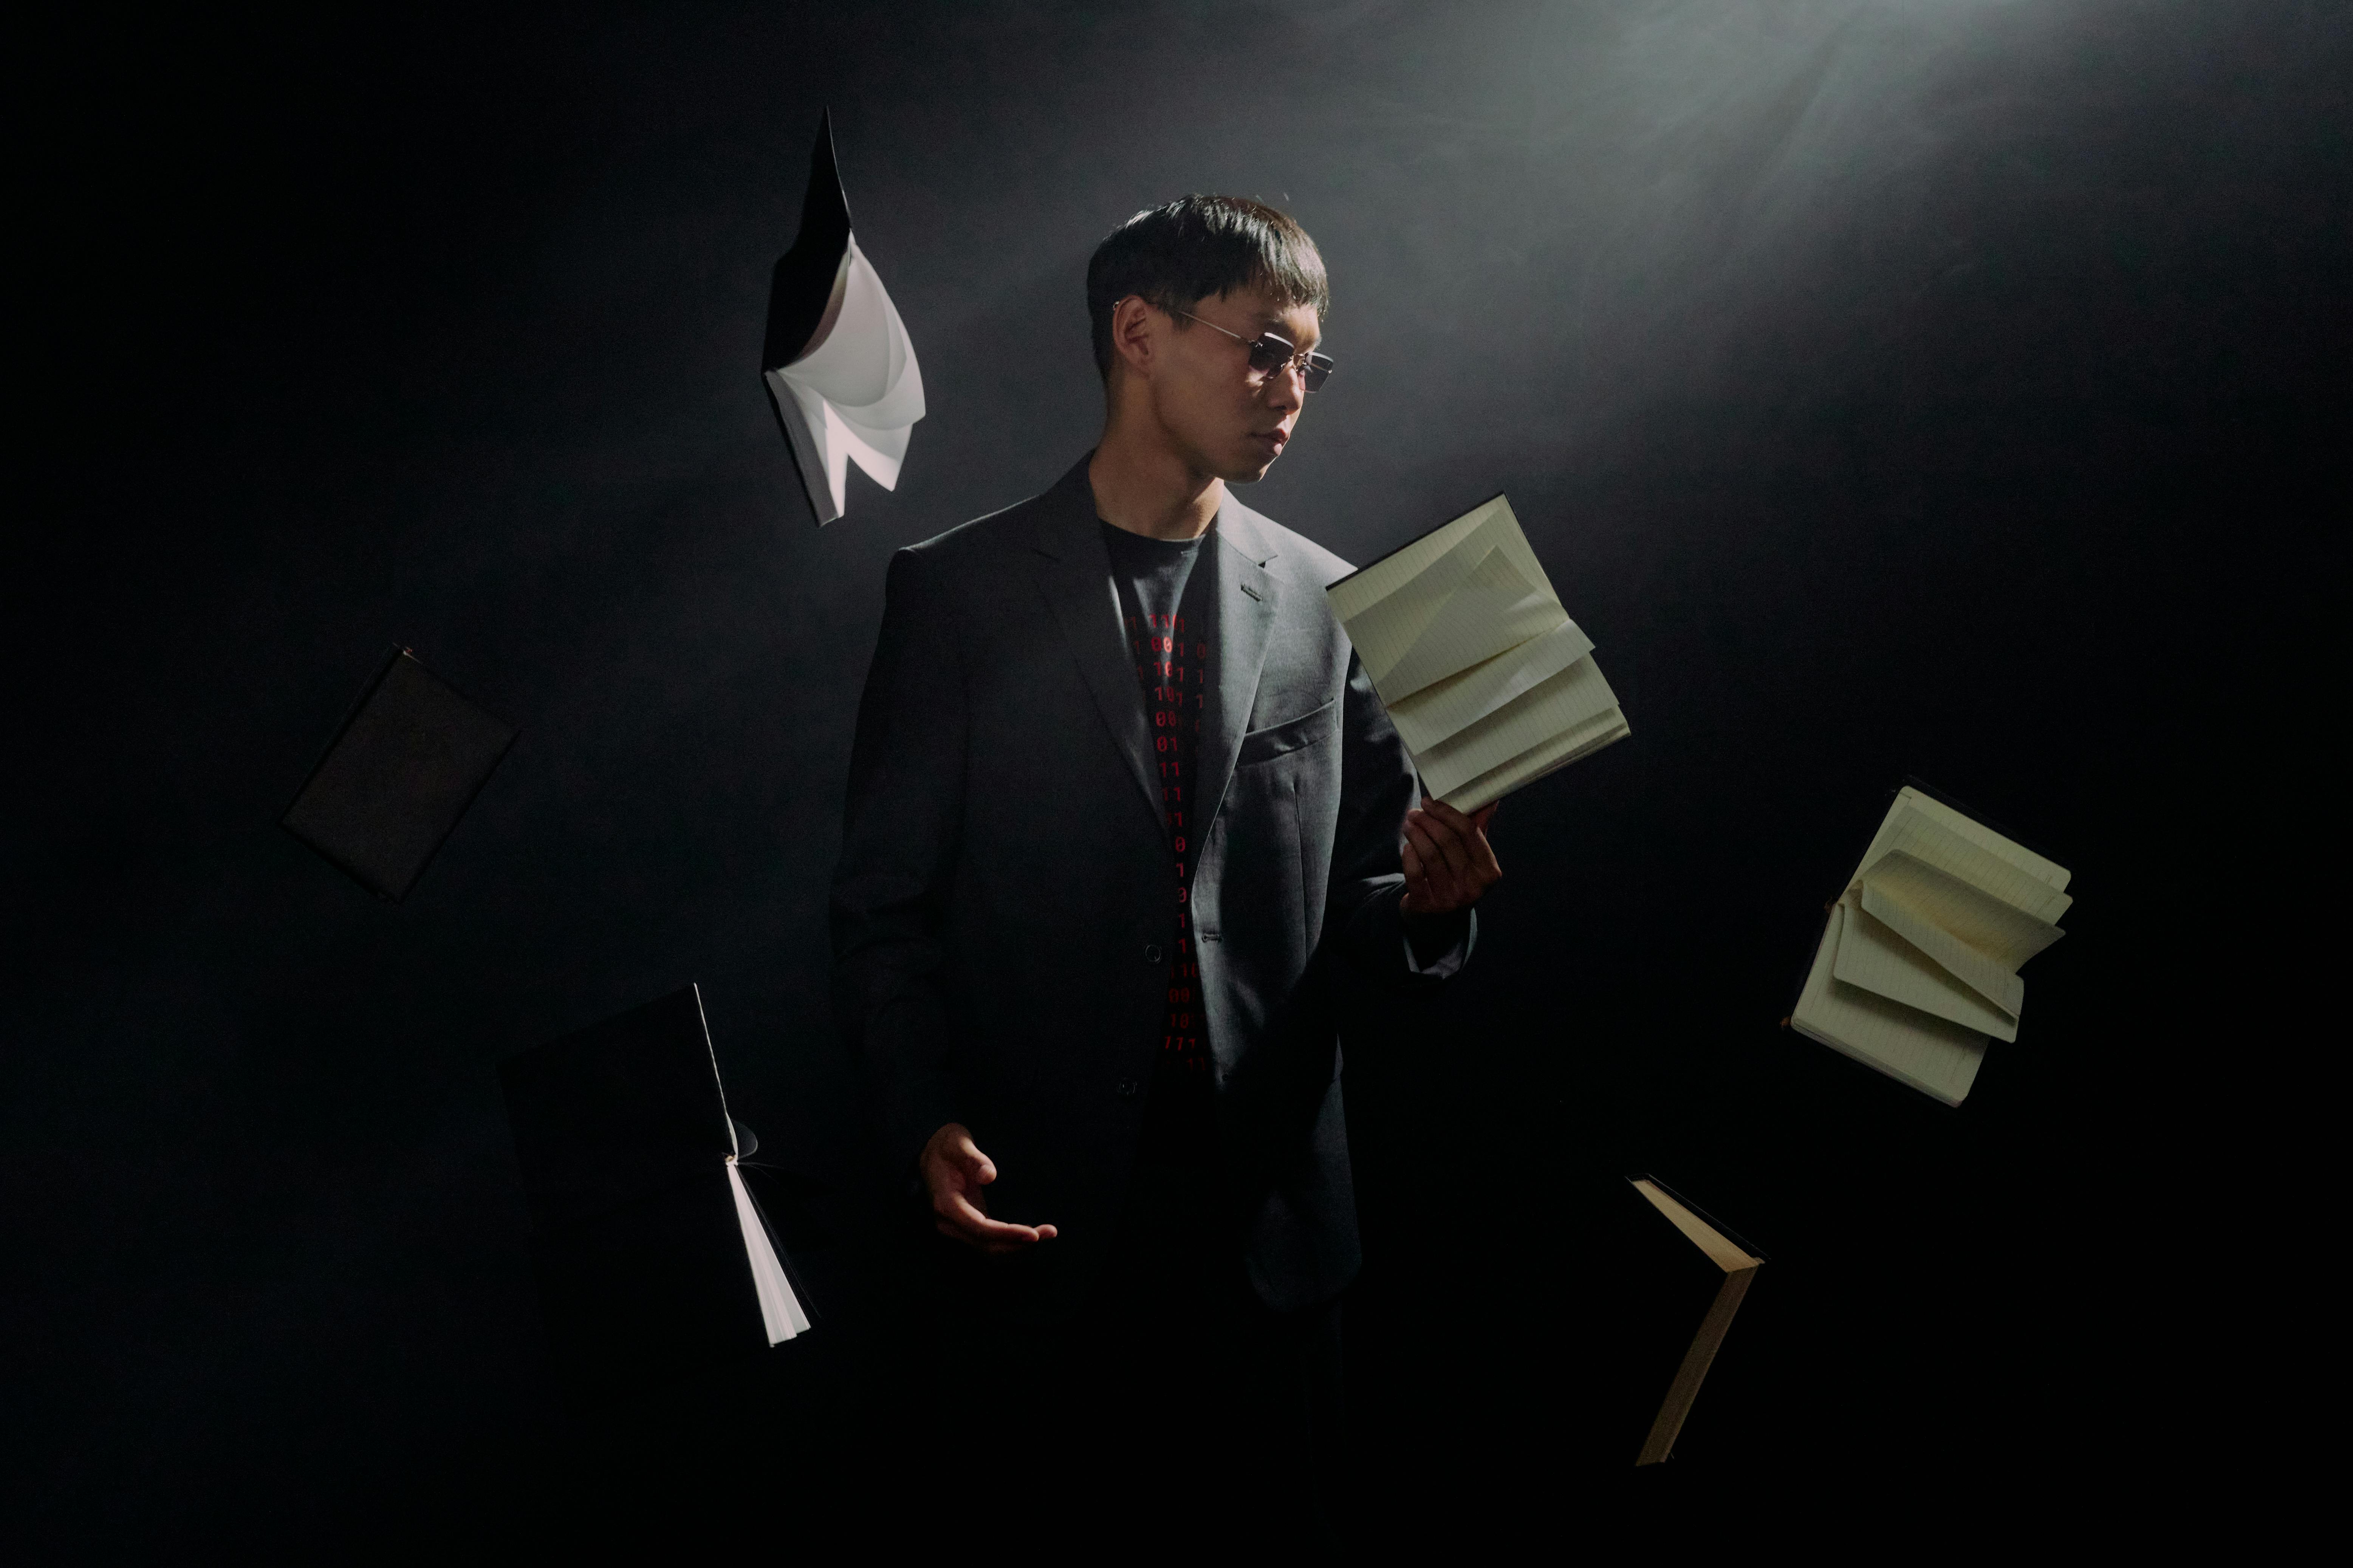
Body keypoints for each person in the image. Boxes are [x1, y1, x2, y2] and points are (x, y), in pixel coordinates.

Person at [830, 195, 1501, 1540]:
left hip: (1271, 1227)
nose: (1291, 390)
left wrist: (1431, 910)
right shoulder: (957, 593)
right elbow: (883, 908)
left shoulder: (1335, 599)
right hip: (1043, 1217)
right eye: (1263, 349)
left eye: (1310, 361)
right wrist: (919, 1118)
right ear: (1137, 333)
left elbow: (1364, 907)